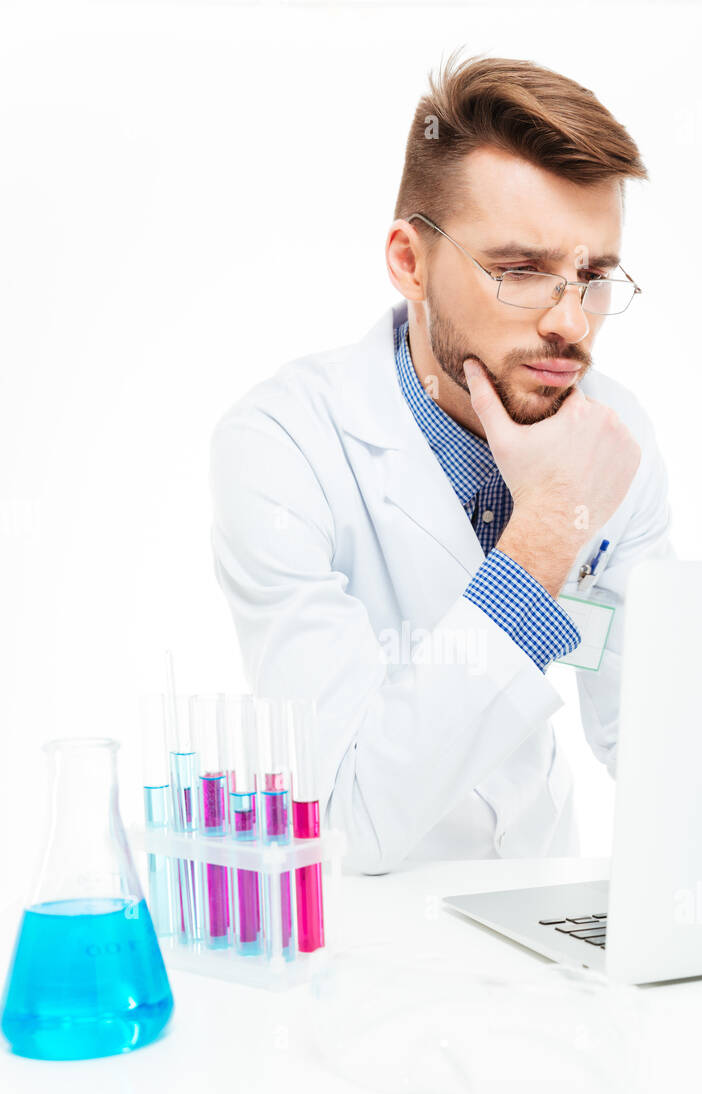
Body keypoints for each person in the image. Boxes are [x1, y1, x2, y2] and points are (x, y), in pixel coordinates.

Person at [210, 54, 673, 874]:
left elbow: (661, 743)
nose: (572, 323)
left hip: (540, 908)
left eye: (593, 276)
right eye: (521, 271)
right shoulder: (281, 446)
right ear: (408, 261)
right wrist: (547, 531)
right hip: (370, 949)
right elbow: (350, 816)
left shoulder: (613, 434)